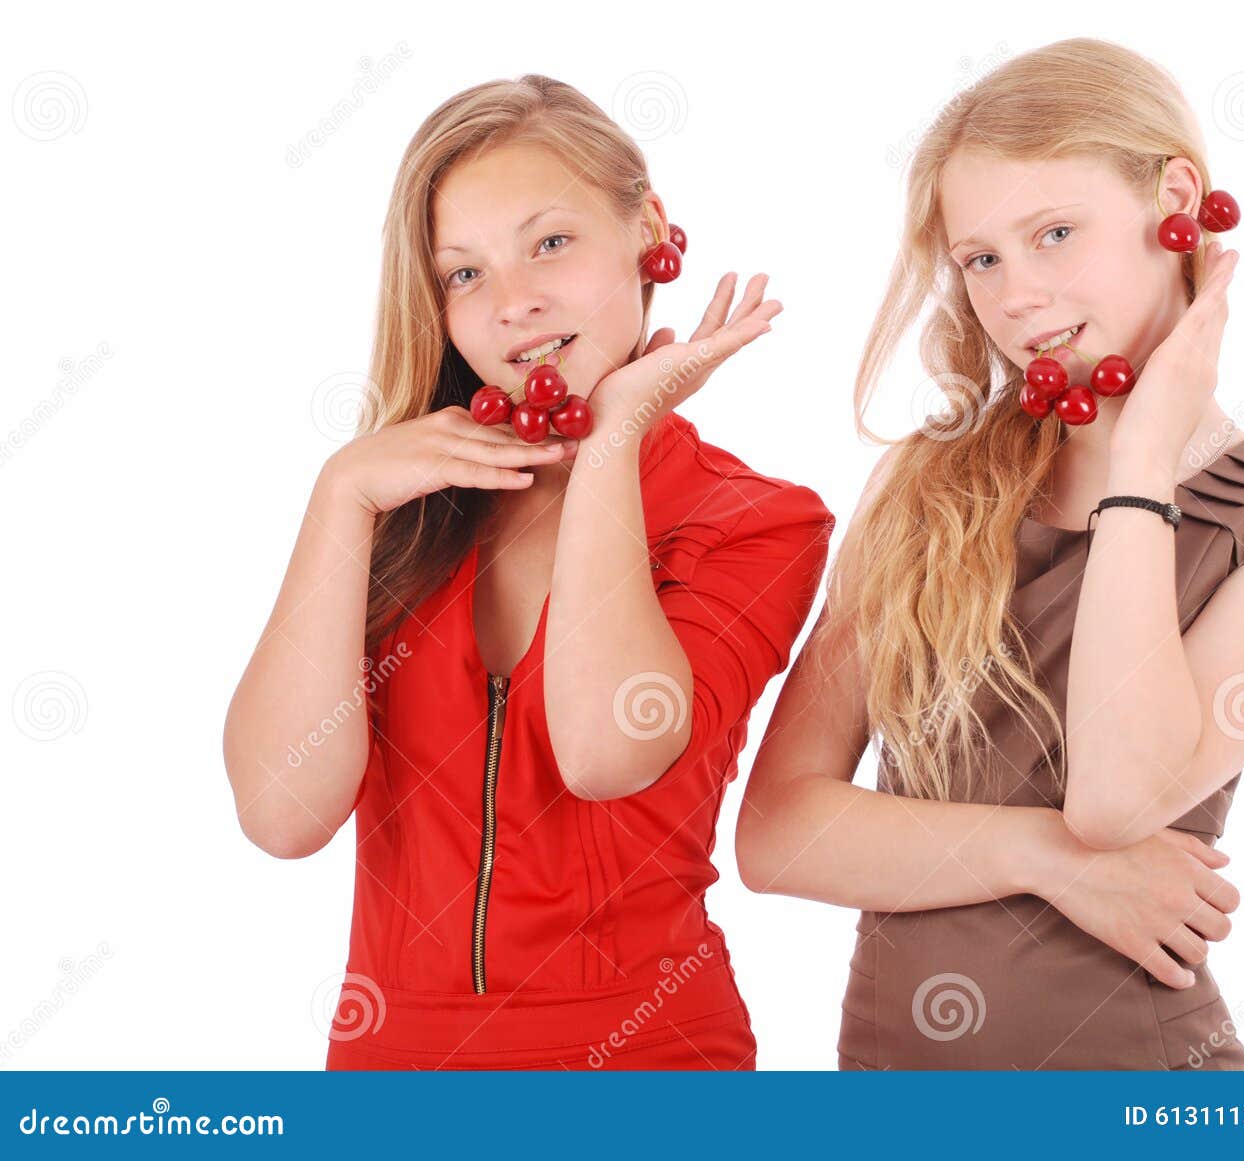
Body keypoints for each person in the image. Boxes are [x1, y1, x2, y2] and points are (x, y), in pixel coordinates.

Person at [735, 37, 1244, 1070]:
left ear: (1174, 196)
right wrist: (1046, 859)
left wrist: (1138, 465)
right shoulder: (925, 487)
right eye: (981, 259)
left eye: (1054, 234)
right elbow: (776, 836)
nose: (1017, 296)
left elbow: (1118, 799)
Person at [223, 74, 833, 1070]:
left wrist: (614, 440)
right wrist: (337, 498)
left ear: (649, 228)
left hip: (649, 1070)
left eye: (549, 243)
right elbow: (283, 816)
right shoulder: (396, 508)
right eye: (463, 275)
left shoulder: (759, 522)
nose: (515, 305)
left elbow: (605, 751)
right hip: (389, 1078)